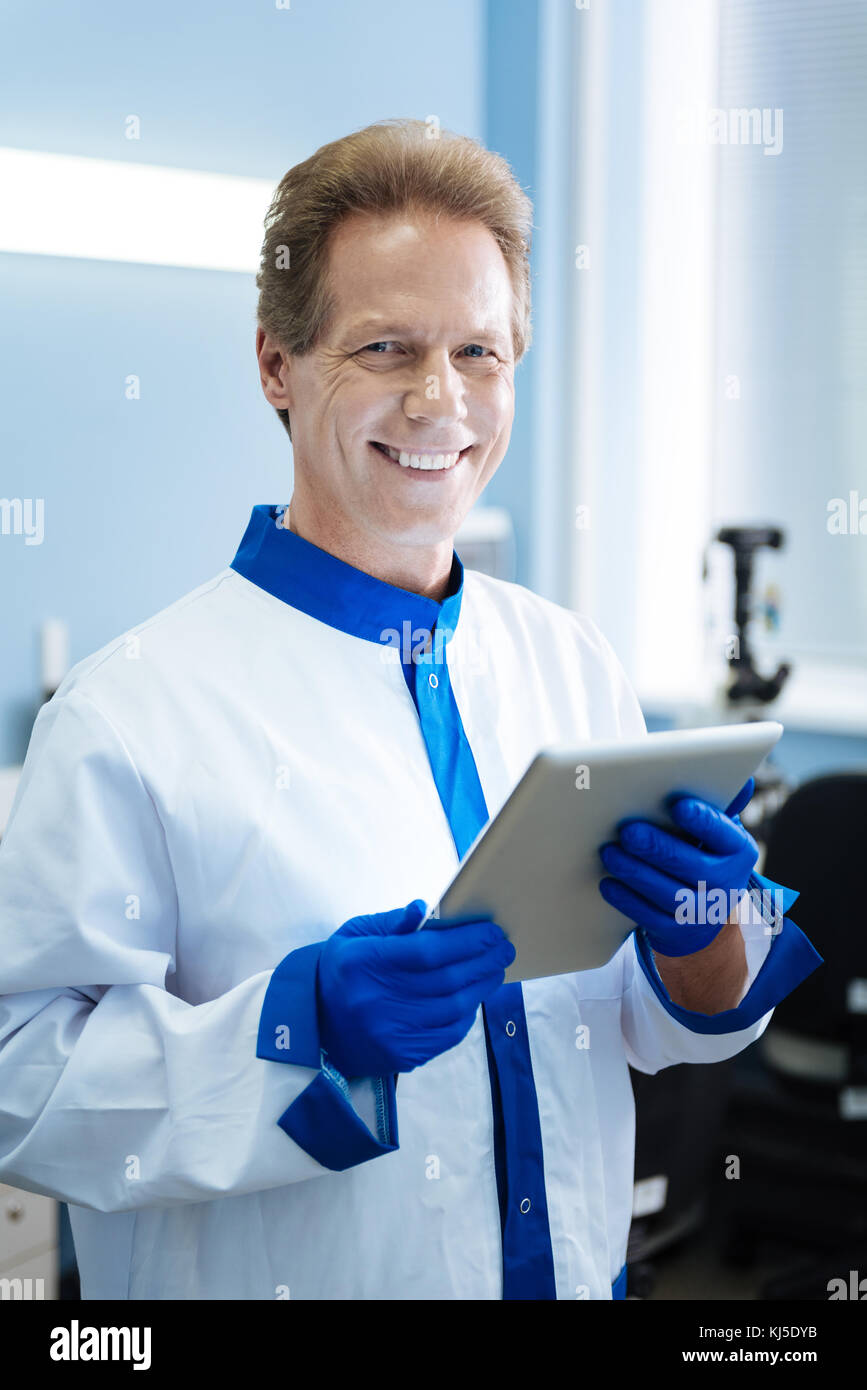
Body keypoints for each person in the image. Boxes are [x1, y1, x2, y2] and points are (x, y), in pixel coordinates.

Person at [0, 119, 821, 1300]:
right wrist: (299, 1030)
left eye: (480, 352)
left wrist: (702, 937)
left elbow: (642, 1027)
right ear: (278, 367)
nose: (441, 400)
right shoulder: (131, 713)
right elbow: (24, 1084)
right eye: (385, 347)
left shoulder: (571, 665)